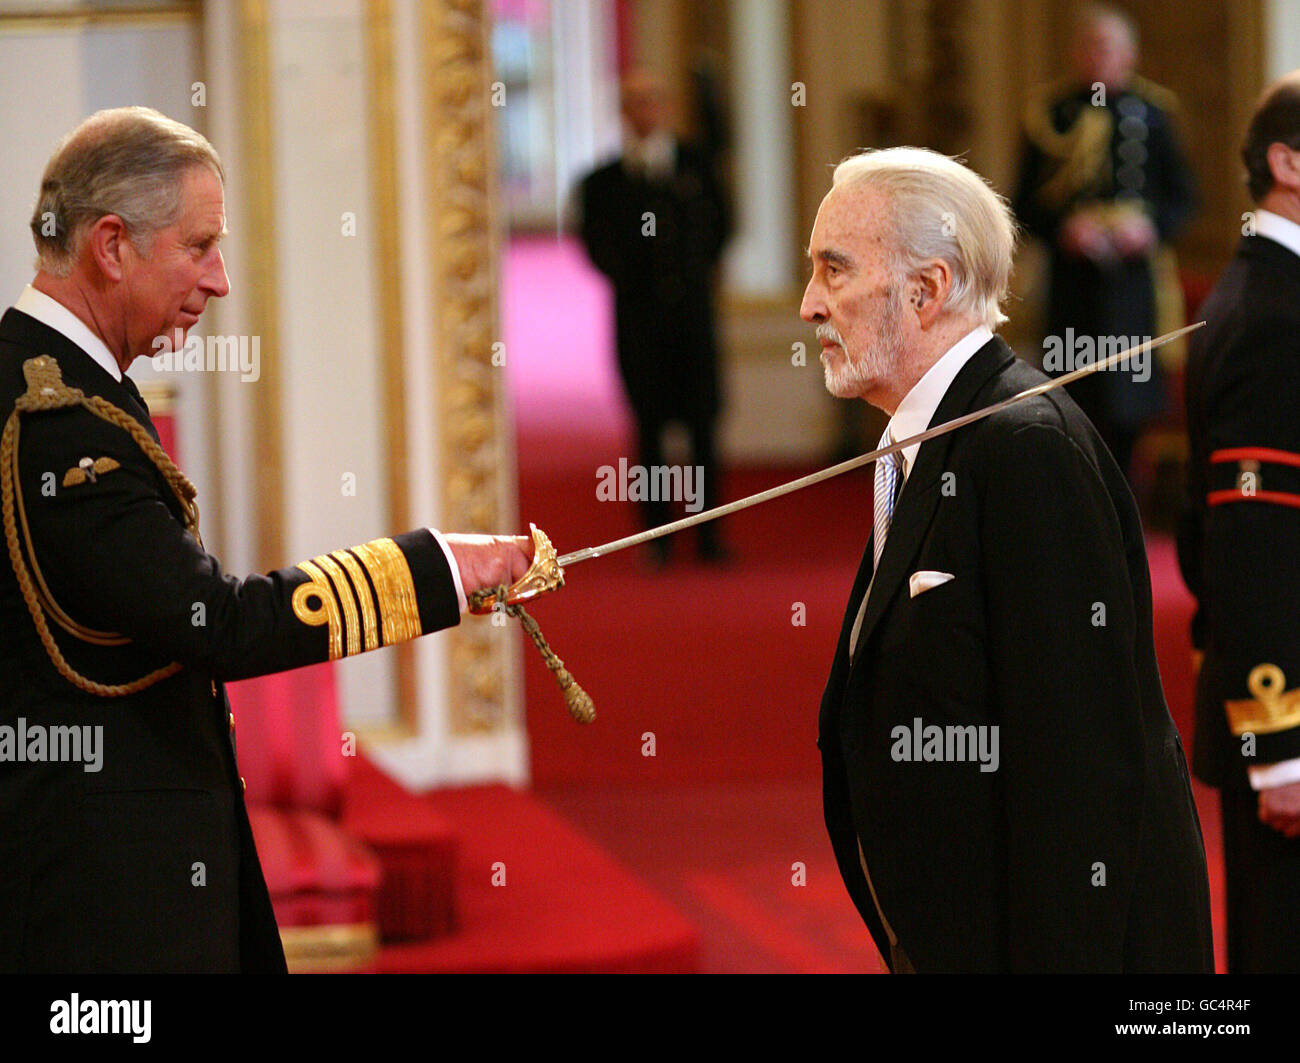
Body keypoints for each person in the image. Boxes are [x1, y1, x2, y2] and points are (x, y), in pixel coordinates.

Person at [0, 107, 533, 973]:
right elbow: (214, 622)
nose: (219, 280)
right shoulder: (62, 426)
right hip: (103, 900)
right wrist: (434, 569)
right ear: (110, 245)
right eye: (199, 246)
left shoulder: (58, 386)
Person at [802, 146, 1213, 973]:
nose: (811, 304)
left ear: (927, 289)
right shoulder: (931, 438)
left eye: (833, 272)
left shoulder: (1027, 449)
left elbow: (1081, 773)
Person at [1177, 71, 1300, 973]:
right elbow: (1249, 546)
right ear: (1289, 164)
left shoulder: (1267, 295)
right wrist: (1277, 745)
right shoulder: (1272, 316)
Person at [1013, 3, 1195, 481]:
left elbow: (1184, 198)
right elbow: (1021, 205)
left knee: (1129, 403)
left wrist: (1149, 227)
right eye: (1092, 45)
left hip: (1135, 287)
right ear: (1076, 53)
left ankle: (1125, 501)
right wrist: (1063, 229)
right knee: (1072, 399)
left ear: (1130, 53)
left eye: (1110, 46)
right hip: (1073, 286)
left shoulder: (1153, 115)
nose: (1101, 55)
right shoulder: (1049, 115)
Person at [577, 70, 731, 564]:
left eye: (653, 100)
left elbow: (723, 226)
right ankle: (656, 537)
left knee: (703, 424)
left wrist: (689, 270)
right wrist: (638, 276)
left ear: (665, 106)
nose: (645, 111)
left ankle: (707, 532)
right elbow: (596, 245)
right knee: (647, 426)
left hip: (692, 316)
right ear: (624, 112)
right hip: (638, 321)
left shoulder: (698, 166)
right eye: (635, 102)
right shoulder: (601, 184)